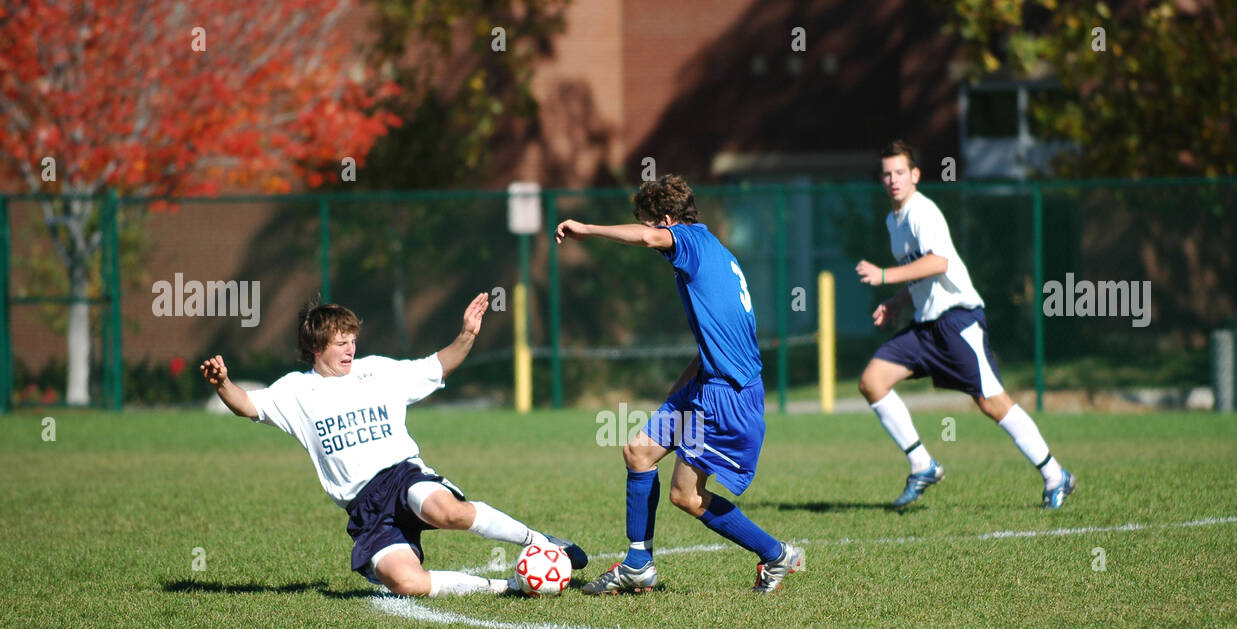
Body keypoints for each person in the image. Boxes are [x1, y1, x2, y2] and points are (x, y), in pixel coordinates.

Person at [198, 293, 587, 597]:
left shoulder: (377, 371)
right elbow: (247, 404)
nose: (350, 349)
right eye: (340, 343)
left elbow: (438, 365)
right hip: (366, 509)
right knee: (407, 584)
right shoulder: (295, 391)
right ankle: (509, 586)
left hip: (402, 476)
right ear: (316, 347)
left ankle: (540, 541)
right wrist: (223, 385)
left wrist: (467, 335)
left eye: (352, 341)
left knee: (442, 509)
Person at [554, 174, 805, 594]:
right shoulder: (714, 252)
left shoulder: (687, 240)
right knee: (638, 451)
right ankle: (638, 564)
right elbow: (722, 330)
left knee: (686, 495)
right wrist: (685, 381)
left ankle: (777, 555)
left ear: (666, 221)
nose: (648, 234)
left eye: (649, 222)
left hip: (729, 393)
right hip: (707, 382)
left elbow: (651, 240)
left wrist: (589, 229)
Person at [855, 140, 1077, 509]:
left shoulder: (922, 212)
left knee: (992, 403)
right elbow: (920, 275)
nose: (893, 180)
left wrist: (884, 275)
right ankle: (922, 464)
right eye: (886, 174)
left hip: (957, 321)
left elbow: (938, 262)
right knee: (872, 382)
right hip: (926, 328)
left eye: (900, 172)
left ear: (915, 176)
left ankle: (1057, 475)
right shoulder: (892, 221)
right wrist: (898, 301)